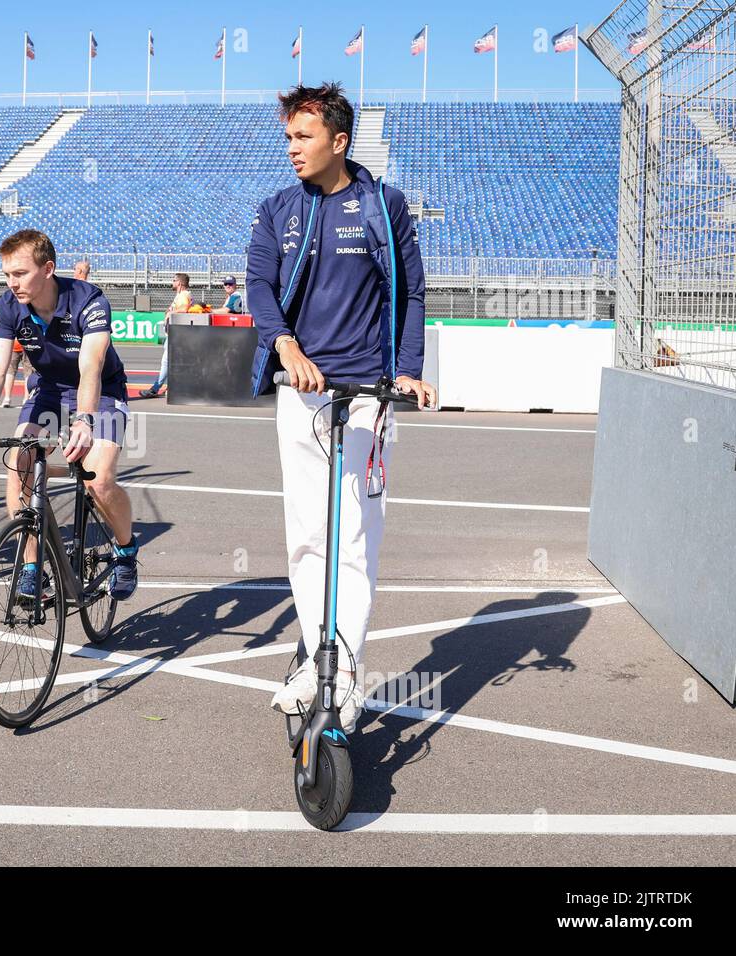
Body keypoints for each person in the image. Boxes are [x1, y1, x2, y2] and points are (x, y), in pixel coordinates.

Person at [247, 82, 436, 734]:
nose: (293, 148)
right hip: (300, 393)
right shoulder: (277, 209)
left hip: (366, 397)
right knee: (306, 534)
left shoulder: (384, 206)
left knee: (353, 534)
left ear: (339, 141)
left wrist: (407, 371)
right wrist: (285, 343)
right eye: (289, 137)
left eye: (304, 137)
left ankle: (347, 672)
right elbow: (259, 285)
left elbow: (410, 292)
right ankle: (313, 657)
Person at [0, 229, 140, 600]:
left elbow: (92, 366)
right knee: (19, 460)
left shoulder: (89, 300)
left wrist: (84, 421)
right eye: (7, 274)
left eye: (20, 273)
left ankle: (126, 550)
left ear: (48, 268)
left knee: (97, 480)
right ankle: (31, 567)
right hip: (49, 390)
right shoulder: (7, 306)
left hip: (100, 391)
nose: (12, 283)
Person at [139, 273, 190, 399]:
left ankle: (155, 388)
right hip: (174, 333)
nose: (172, 282)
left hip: (177, 334)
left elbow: (184, 309)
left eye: (174, 280)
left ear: (179, 283)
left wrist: (171, 312)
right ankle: (171, 387)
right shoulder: (179, 295)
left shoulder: (183, 295)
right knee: (173, 362)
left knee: (166, 362)